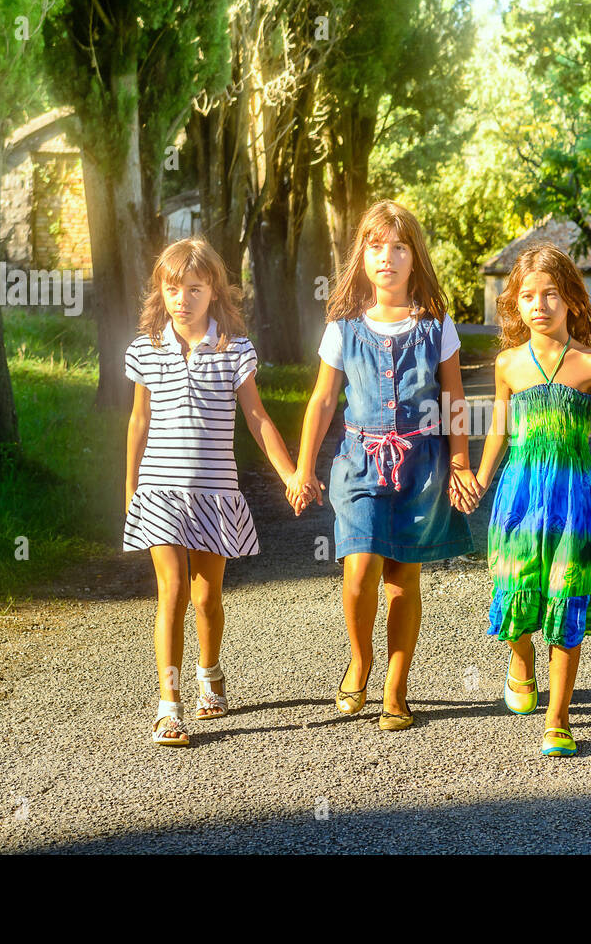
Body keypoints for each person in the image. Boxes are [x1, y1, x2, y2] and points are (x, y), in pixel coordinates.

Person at [462, 243, 591, 757]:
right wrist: (479, 480)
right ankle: (521, 659)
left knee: (567, 595)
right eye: (527, 296)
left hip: (575, 499)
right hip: (519, 496)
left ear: (571, 300)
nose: (539, 305)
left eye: (550, 294)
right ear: (515, 305)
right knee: (514, 586)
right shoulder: (508, 364)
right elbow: (498, 433)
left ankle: (559, 715)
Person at [290, 200, 476, 731]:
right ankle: (360, 658)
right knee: (360, 571)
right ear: (362, 257)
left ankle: (396, 688)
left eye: (399, 247)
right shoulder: (342, 327)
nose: (387, 257)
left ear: (414, 258)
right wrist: (304, 469)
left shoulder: (437, 325)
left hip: (423, 469)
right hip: (358, 465)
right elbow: (323, 402)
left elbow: (455, 399)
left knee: (402, 581)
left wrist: (460, 463)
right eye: (376, 247)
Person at [124, 238, 299, 747]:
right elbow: (138, 422)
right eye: (173, 288)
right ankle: (169, 704)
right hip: (160, 492)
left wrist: (290, 474)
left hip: (216, 493)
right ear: (161, 290)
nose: (183, 298)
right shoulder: (145, 348)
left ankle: (210, 671)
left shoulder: (234, 350)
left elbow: (258, 418)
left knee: (206, 598)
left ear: (214, 292)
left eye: (194, 289)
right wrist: (130, 488)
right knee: (172, 593)